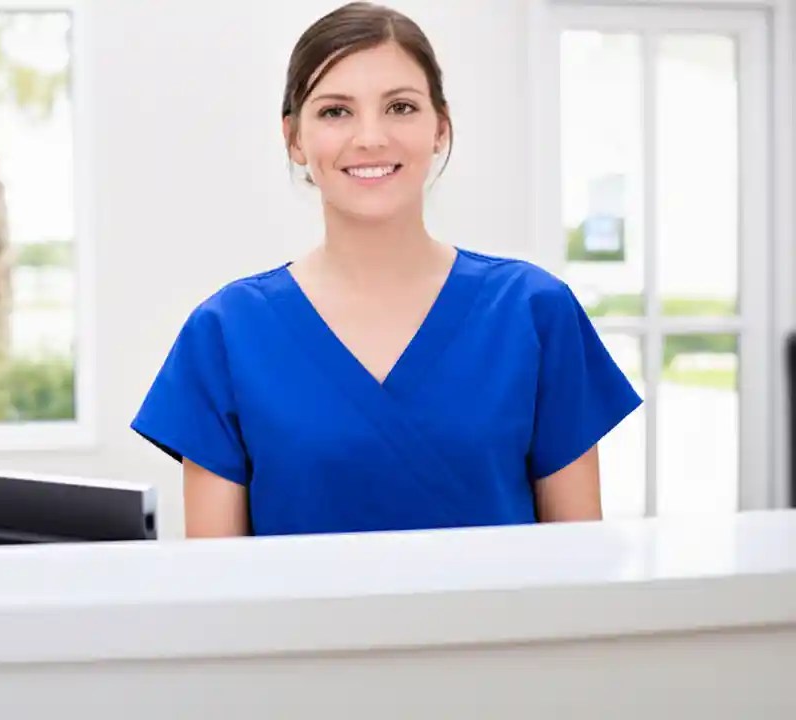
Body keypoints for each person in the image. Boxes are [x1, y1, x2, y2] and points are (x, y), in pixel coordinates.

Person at [130, 1, 643, 539]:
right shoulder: (225, 333)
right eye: (335, 111)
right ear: (295, 139)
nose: (370, 137)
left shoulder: (535, 312)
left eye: (400, 107)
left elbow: (580, 573)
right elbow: (218, 593)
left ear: (439, 128)